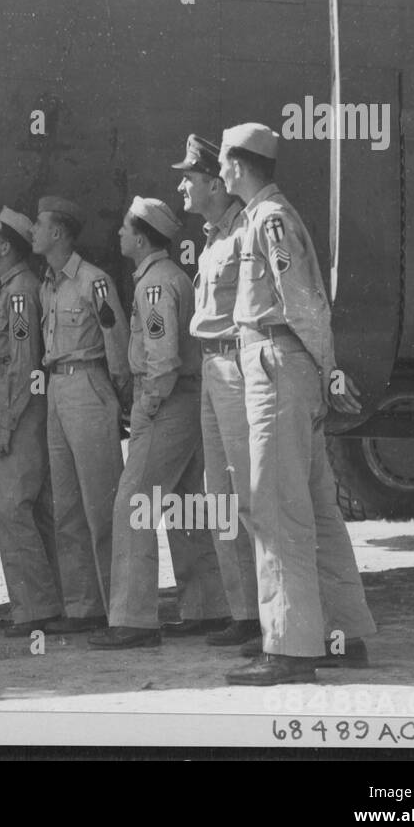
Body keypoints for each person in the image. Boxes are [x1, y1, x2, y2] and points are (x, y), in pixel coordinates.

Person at [217, 123, 375, 686]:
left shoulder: (268, 219)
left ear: (237, 164)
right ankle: (341, 632)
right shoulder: (267, 215)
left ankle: (289, 649)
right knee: (315, 510)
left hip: (276, 367)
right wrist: (324, 374)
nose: (218, 170)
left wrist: (330, 370)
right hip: (288, 369)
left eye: (222, 161)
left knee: (276, 508)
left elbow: (303, 302)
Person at [89, 197, 229, 650]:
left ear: (143, 237)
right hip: (188, 400)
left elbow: (163, 358)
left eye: (126, 229)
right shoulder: (170, 278)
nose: (119, 235)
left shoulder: (154, 286)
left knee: (134, 504)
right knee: (184, 503)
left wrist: (147, 405)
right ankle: (207, 609)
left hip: (166, 401)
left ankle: (134, 620)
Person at [172, 134, 261, 648]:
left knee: (248, 493)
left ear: (211, 181)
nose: (181, 185)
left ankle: (269, 618)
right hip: (211, 370)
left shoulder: (245, 231)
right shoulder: (212, 237)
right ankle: (244, 613)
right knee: (221, 499)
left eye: (188, 177)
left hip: (234, 366)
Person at [32, 195, 130, 634]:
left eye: (39, 225)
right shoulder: (46, 286)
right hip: (57, 386)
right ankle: (83, 607)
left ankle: (120, 609)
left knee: (102, 504)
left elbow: (116, 342)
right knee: (67, 507)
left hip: (89, 384)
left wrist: (120, 396)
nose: (33, 231)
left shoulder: (94, 282)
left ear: (57, 233)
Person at [0, 207, 62, 637]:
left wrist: (8, 423)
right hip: (27, 407)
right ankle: (49, 601)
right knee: (34, 509)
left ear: (6, 247)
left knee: (13, 511)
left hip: (22, 410)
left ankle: (32, 609)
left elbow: (26, 365)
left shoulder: (18, 293)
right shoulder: (17, 287)